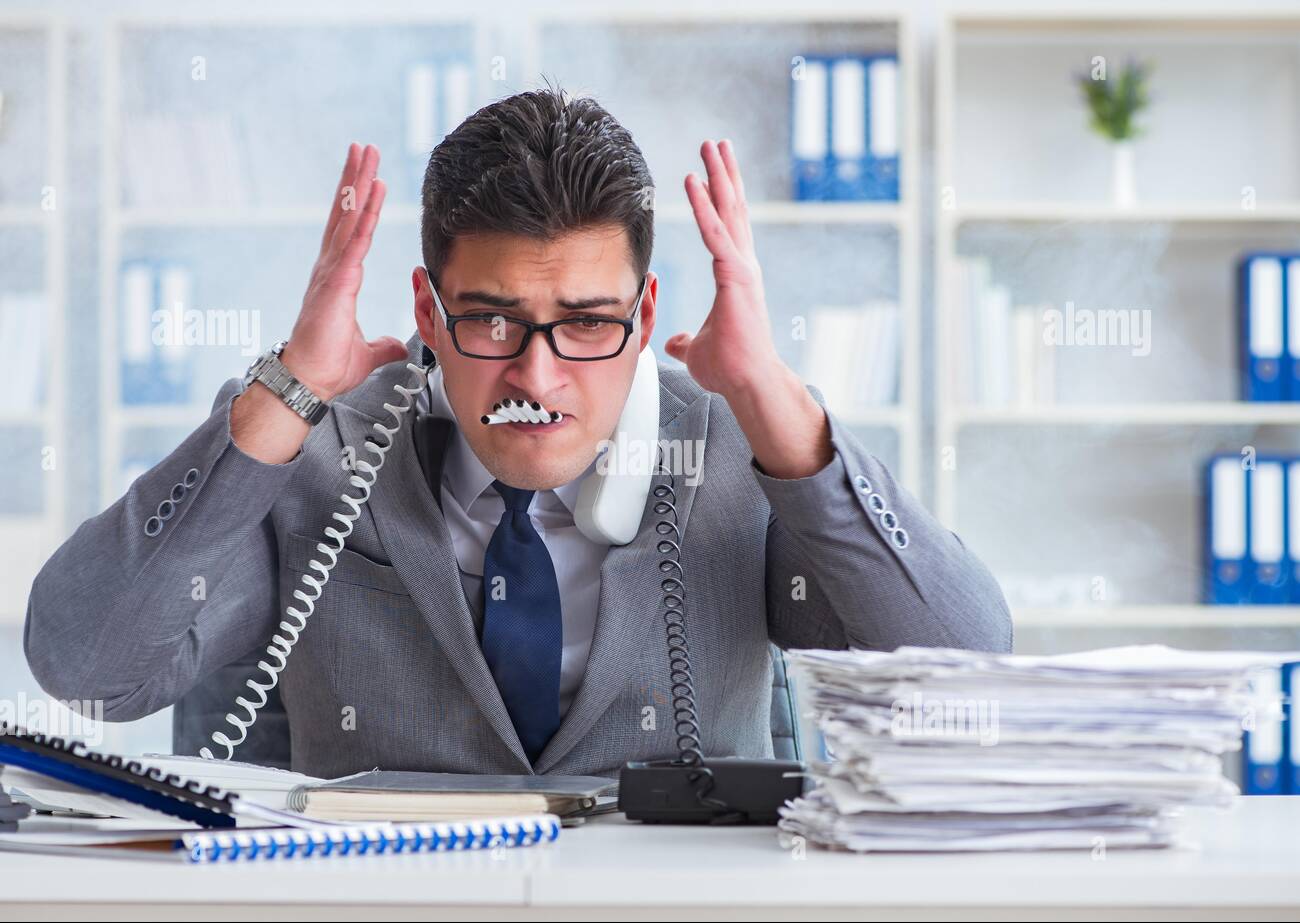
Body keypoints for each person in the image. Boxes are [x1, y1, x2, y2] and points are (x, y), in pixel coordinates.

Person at [25, 85, 1010, 778]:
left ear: (643, 308)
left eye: (587, 323)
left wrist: (777, 408)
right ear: (425, 310)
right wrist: (282, 396)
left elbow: (965, 678)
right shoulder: (315, 450)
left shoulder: (740, 454)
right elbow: (86, 670)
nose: (535, 378)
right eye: (491, 320)